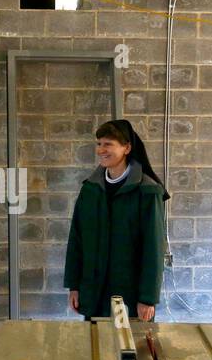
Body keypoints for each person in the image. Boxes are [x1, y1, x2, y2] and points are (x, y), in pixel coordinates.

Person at [64, 119, 169, 321]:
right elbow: (76, 239)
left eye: (108, 144)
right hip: (94, 290)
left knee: (127, 349)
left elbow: (154, 247)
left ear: (127, 147)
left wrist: (147, 298)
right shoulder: (90, 189)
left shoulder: (147, 191)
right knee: (95, 347)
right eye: (99, 143)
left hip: (128, 294)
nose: (101, 150)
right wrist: (74, 285)